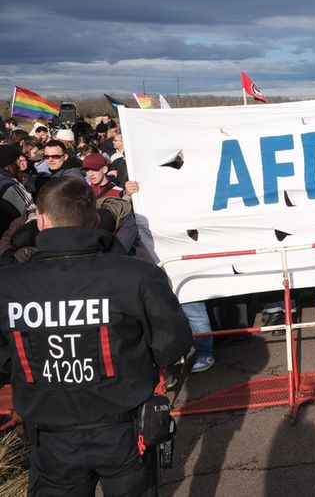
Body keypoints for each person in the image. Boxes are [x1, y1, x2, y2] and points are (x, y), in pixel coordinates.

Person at [0, 177, 193, 495]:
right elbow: (172, 342)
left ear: (42, 221)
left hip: (62, 430)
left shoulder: (9, 284)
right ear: (93, 221)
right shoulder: (135, 275)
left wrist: (27, 365)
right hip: (116, 426)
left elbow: (171, 342)